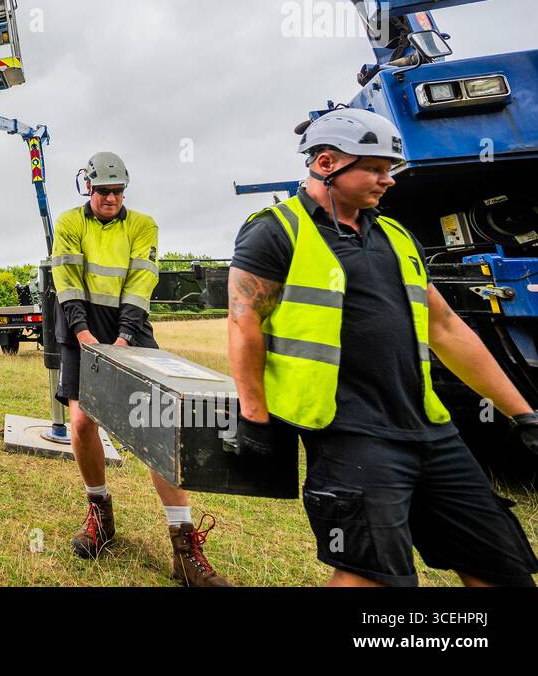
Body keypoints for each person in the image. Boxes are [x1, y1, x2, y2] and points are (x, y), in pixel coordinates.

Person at [228, 108, 538, 587]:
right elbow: (244, 320)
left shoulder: (396, 236)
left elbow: (447, 328)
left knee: (504, 569)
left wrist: (522, 412)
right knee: (373, 577)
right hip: (348, 433)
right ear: (327, 163)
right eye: (375, 168)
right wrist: (254, 415)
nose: (388, 180)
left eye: (389, 168)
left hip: (429, 429)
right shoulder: (275, 230)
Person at [52, 150, 230, 586]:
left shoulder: (143, 225)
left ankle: (183, 545)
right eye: (102, 191)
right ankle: (100, 513)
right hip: (81, 324)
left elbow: (141, 281)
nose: (110, 198)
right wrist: (83, 334)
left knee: (157, 425)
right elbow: (67, 280)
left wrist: (126, 338)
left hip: (127, 325)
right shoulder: (70, 223)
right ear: (87, 187)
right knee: (81, 421)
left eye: (117, 191)